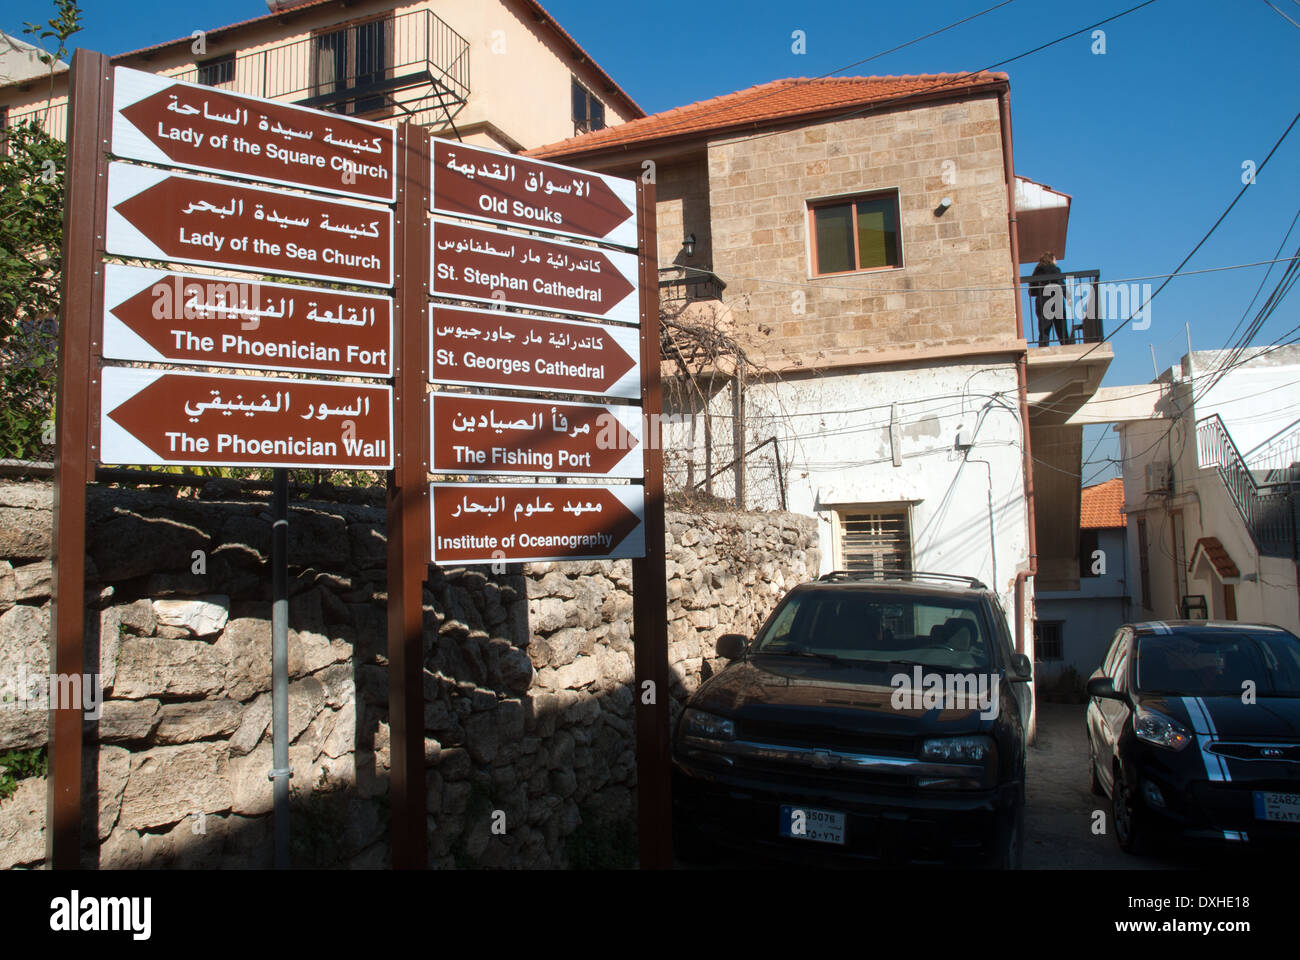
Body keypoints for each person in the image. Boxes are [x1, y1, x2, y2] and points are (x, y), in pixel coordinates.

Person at [1029, 252, 1071, 346]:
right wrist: (1067, 296)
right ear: (1051, 259)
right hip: (1056, 299)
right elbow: (1060, 283)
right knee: (1061, 326)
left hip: (1042, 301)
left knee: (1044, 328)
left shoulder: (1036, 272)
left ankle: (1043, 347)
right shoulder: (1054, 269)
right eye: (1055, 259)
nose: (1056, 262)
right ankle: (1066, 345)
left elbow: (1032, 292)